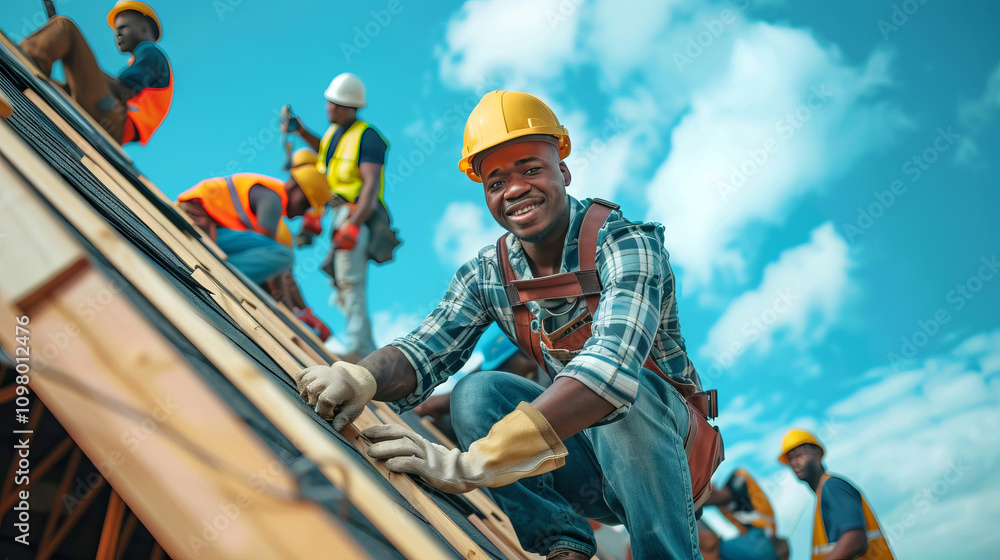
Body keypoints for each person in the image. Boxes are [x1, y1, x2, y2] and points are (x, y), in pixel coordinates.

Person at [294, 90, 717, 559]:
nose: (514, 189)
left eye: (531, 169)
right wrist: (362, 376)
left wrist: (472, 465)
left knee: (627, 393)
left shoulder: (626, 244)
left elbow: (608, 375)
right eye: (496, 182)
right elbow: (426, 347)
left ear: (564, 169)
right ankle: (563, 546)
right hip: (579, 461)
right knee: (477, 394)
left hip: (668, 459)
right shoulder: (490, 272)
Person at [286, 72, 399, 359]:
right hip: (339, 213)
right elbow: (324, 152)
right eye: (329, 102)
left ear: (351, 108)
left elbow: (370, 186)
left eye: (336, 104)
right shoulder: (335, 134)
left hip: (356, 213)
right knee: (340, 280)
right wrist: (300, 130)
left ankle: (361, 349)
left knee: (350, 280)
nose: (329, 108)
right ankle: (360, 344)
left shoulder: (367, 136)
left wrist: (354, 225)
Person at [19, 1, 173, 145]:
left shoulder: (150, 53)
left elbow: (123, 91)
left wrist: (78, 58)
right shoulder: (145, 59)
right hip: (113, 126)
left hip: (115, 117)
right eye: (115, 31)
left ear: (144, 29)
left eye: (123, 27)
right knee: (46, 84)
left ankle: (20, 62)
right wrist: (79, 61)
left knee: (63, 26)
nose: (117, 34)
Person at [177, 149, 330, 285]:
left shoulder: (270, 192)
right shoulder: (273, 200)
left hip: (205, 224)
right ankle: (223, 276)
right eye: (305, 204)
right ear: (295, 186)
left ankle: (224, 271)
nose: (302, 213)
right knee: (283, 256)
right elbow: (264, 248)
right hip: (197, 220)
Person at [779, 430, 895, 560]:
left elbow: (856, 539)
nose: (794, 462)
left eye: (799, 455)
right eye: (790, 459)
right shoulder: (821, 496)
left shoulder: (833, 486)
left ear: (818, 453)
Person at [699, 469, 789, 560]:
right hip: (759, 543)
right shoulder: (725, 507)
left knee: (709, 545)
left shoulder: (739, 481)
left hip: (763, 541)